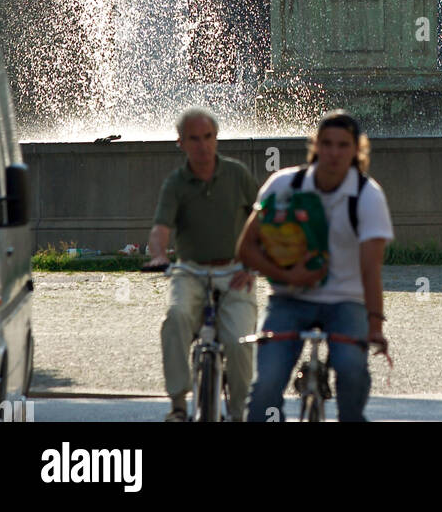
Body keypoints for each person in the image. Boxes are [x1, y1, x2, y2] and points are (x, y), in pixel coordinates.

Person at [237, 110, 393, 423]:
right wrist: (285, 276)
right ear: (315, 146)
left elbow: (370, 270)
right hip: (289, 298)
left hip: (346, 301)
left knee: (351, 371)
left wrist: (374, 325)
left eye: (343, 145)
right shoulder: (284, 185)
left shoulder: (367, 196)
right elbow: (245, 247)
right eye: (327, 144)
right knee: (265, 390)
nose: (334, 153)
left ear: (356, 149)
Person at [146, 108, 260, 422]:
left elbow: (262, 219)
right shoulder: (176, 184)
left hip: (236, 272)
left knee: (239, 341)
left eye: (208, 137)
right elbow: (160, 229)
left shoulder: (237, 175)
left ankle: (238, 413)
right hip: (190, 271)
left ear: (216, 138)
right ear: (180, 143)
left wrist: (253, 262)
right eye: (194, 139)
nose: (202, 145)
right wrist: (159, 255)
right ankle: (179, 404)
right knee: (176, 317)